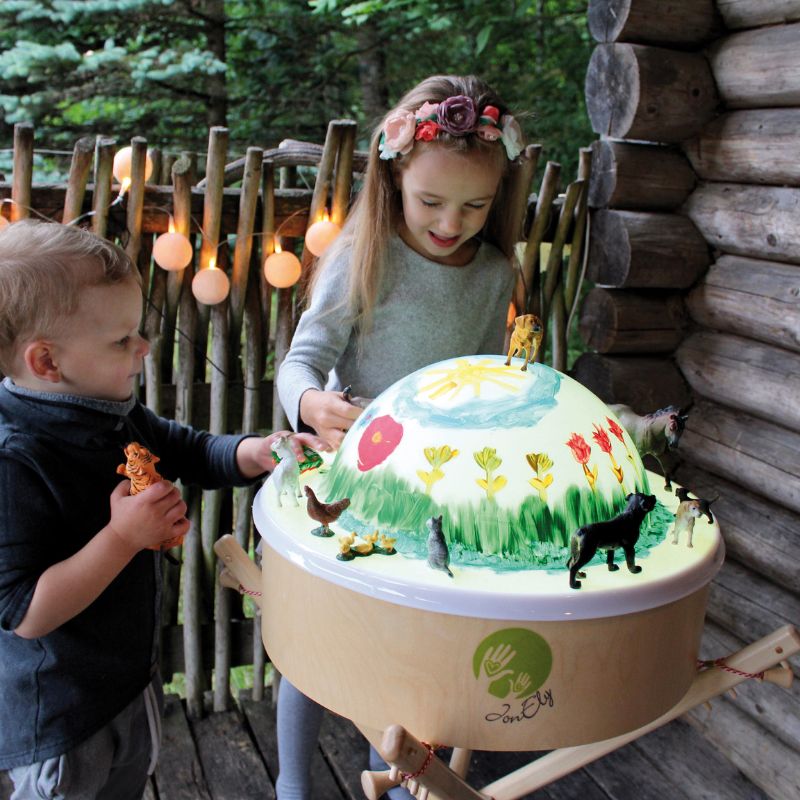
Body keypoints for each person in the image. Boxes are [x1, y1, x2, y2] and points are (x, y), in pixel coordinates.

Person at [0, 220, 326, 800]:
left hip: (128, 683)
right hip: (59, 716)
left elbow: (191, 451)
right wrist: (122, 538)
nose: (144, 348)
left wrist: (255, 451)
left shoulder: (113, 410)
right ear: (46, 361)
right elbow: (27, 613)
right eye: (122, 339)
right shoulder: (13, 459)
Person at [276, 74, 526, 799]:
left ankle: (421, 776)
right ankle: (293, 784)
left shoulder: (492, 273)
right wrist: (312, 402)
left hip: (438, 486)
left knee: (432, 643)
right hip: (350, 478)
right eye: (432, 202)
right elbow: (298, 362)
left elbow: (481, 374)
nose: (452, 222)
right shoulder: (364, 252)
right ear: (393, 178)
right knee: (315, 643)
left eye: (475, 205)